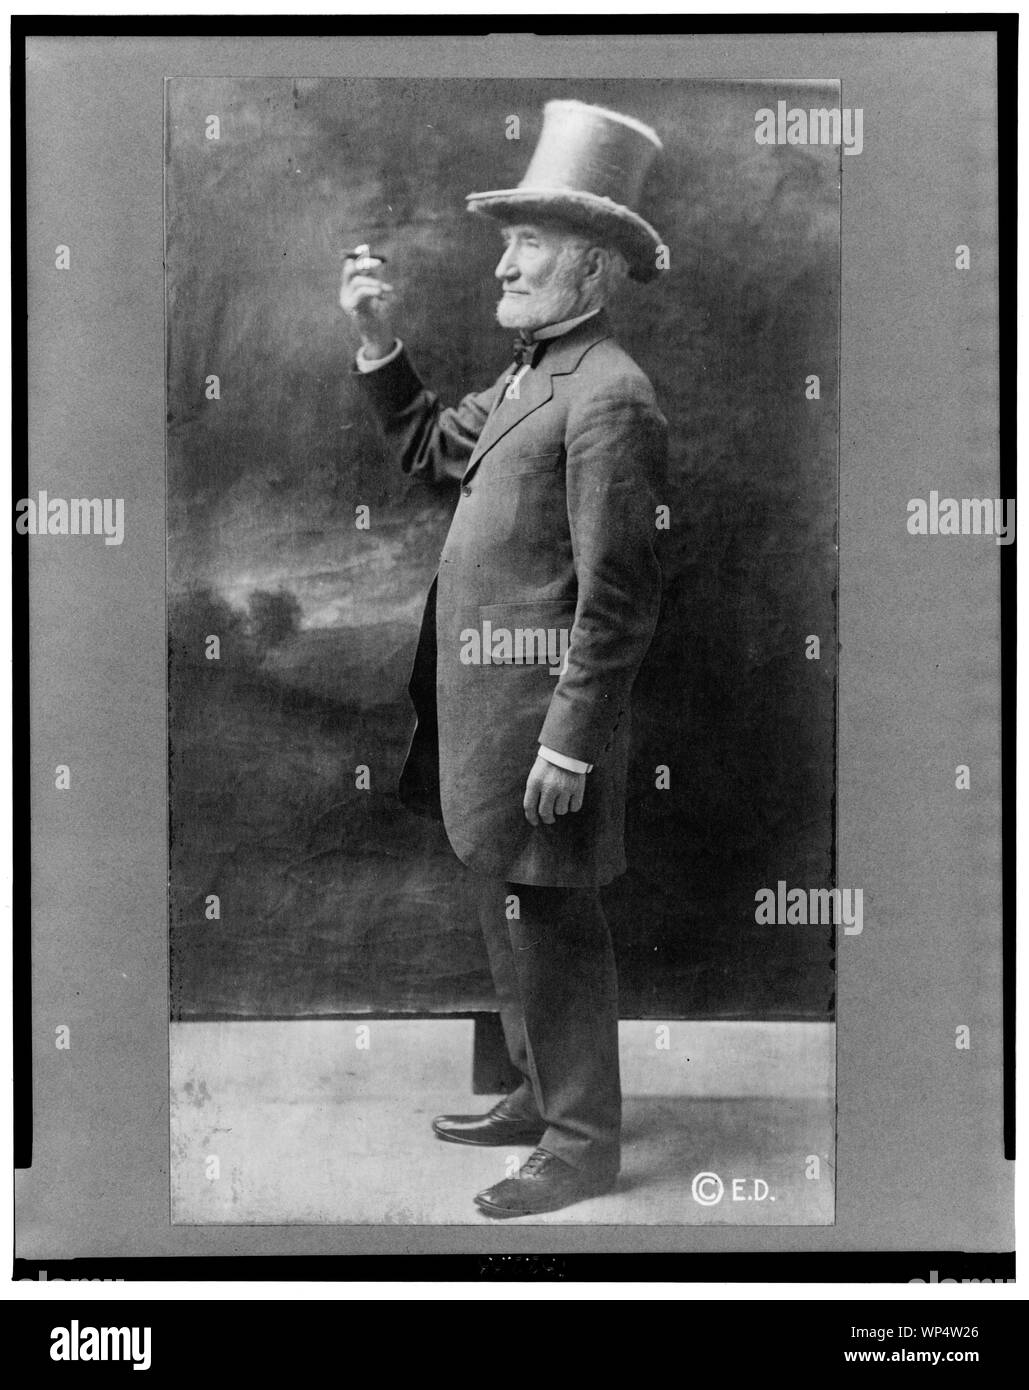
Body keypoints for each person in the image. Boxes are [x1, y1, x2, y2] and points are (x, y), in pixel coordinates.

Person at [340, 100, 668, 1218]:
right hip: (487, 721)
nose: (506, 258)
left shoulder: (611, 396)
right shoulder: (533, 372)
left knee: (556, 923)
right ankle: (537, 1090)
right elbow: (434, 448)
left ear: (590, 266)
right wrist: (379, 337)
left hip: (542, 731)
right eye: (509, 236)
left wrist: (571, 746)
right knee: (509, 906)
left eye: (529, 241)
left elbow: (619, 599)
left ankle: (581, 1143)